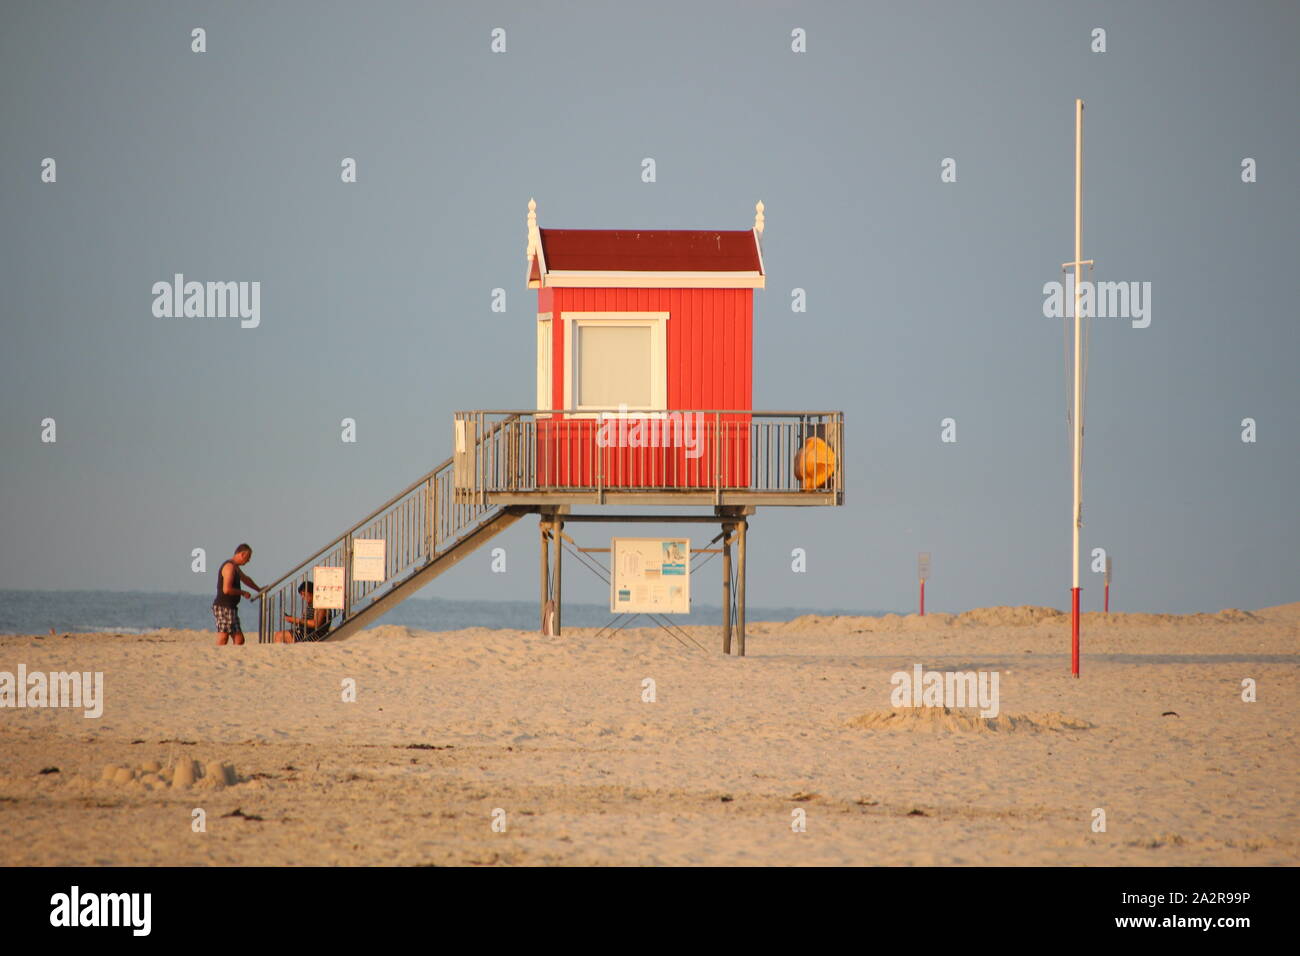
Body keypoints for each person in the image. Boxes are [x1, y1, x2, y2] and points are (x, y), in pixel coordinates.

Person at [212, 543, 259, 646]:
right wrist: (243, 593)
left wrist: (258, 589)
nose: (248, 560)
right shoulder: (229, 567)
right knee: (223, 636)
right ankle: (218, 655)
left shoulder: (235, 567)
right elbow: (227, 589)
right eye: (248, 557)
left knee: (239, 639)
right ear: (242, 554)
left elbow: (246, 579)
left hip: (231, 607)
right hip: (224, 606)